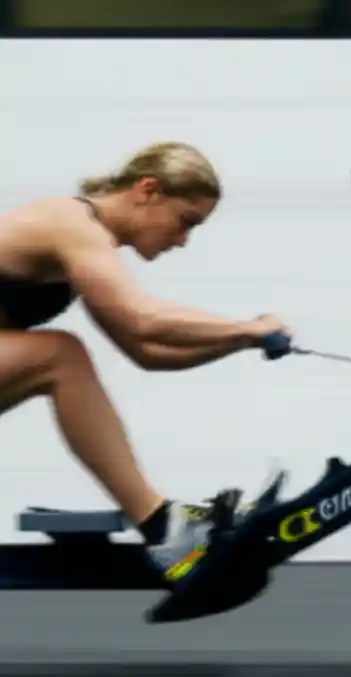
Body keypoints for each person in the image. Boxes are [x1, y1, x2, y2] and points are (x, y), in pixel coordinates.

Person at [0, 141, 292, 584]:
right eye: (185, 221)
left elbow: (146, 351)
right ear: (148, 190)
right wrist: (247, 328)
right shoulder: (73, 225)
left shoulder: (89, 247)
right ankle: (164, 528)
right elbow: (143, 319)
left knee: (63, 357)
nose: (183, 240)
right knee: (61, 355)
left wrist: (242, 342)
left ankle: (164, 524)